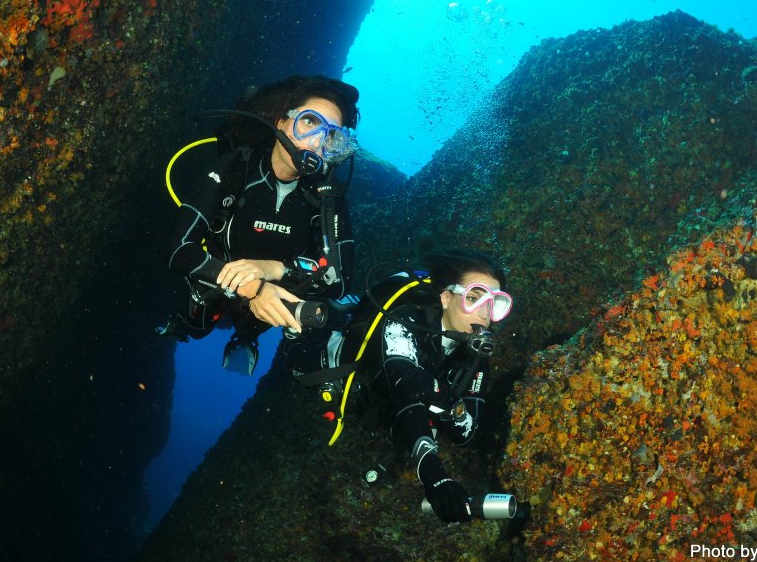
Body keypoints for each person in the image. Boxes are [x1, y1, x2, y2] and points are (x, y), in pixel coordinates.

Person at [158, 75, 360, 375]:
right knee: (199, 326)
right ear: (280, 121)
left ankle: (246, 338)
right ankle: (186, 324)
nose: (317, 141)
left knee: (257, 323)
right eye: (309, 122)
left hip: (275, 293)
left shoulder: (326, 198)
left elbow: (340, 279)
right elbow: (180, 251)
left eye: (331, 136)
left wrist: (276, 269)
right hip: (215, 278)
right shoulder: (235, 166)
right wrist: (253, 287)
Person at [326, 250, 512, 523]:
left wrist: (450, 403)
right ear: (446, 298)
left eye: (494, 304)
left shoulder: (475, 354)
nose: (484, 313)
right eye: (474, 298)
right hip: (346, 368)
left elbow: (466, 433)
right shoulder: (406, 318)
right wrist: (434, 477)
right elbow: (407, 384)